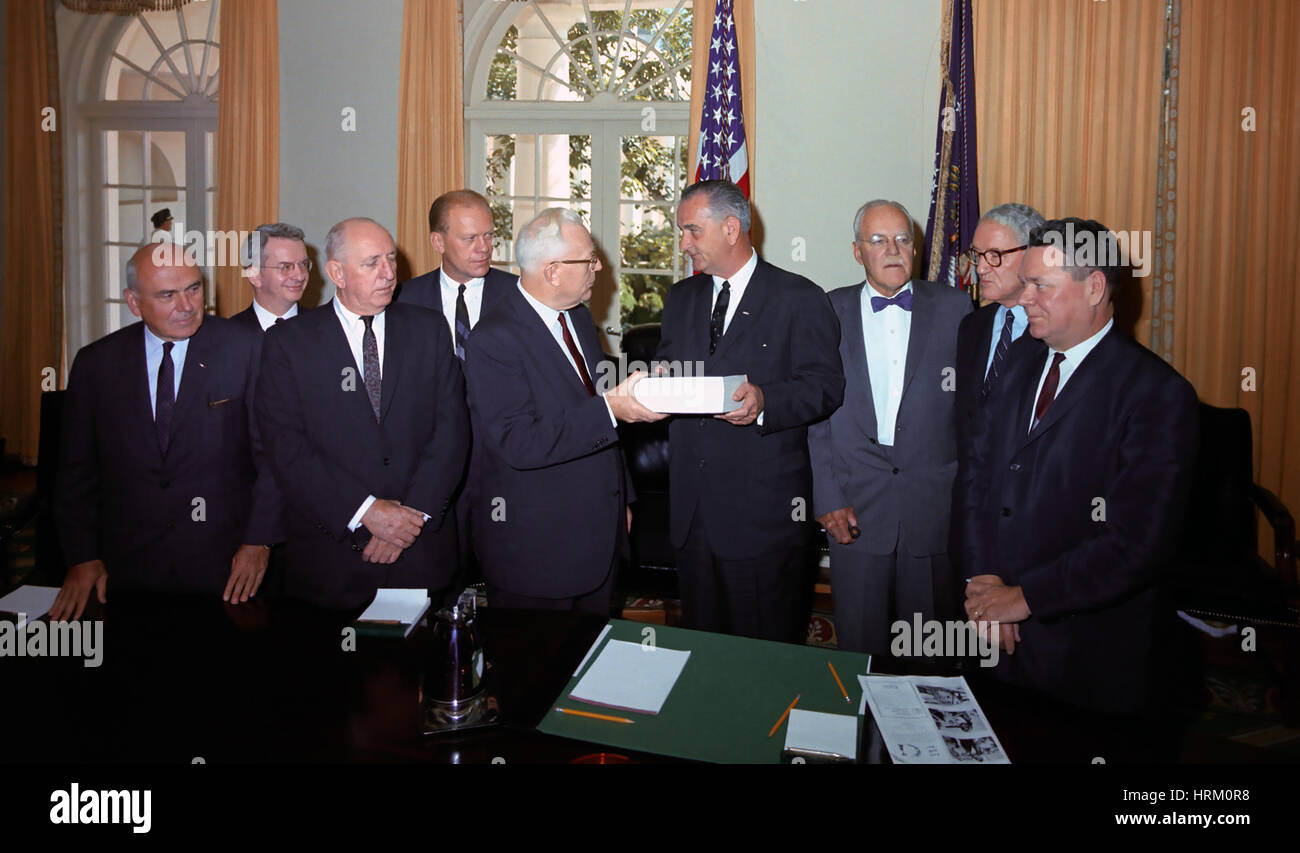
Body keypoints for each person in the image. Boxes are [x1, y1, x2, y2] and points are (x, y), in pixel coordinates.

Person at [961, 217, 1199, 715]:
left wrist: (1022, 599)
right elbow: (979, 474)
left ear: (1093, 288)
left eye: (1039, 285)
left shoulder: (1157, 395)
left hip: (1084, 653)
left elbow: (1136, 543)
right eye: (1024, 282)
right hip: (991, 633)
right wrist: (984, 583)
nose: (1023, 298)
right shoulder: (1020, 360)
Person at [655, 179, 844, 643]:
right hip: (694, 516)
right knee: (700, 648)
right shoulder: (681, 299)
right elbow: (673, 369)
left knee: (762, 653)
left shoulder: (798, 297)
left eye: (692, 231)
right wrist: (658, 383)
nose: (683, 244)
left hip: (763, 520)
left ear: (731, 228)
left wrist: (766, 401)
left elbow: (826, 387)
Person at [51, 243, 280, 620]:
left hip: (227, 568)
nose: (186, 305)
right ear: (134, 302)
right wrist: (83, 556)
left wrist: (260, 541)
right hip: (126, 571)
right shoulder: (96, 365)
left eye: (193, 288)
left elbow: (273, 458)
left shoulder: (247, 349)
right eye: (167, 295)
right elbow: (76, 473)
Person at [256, 217, 469, 609]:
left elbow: (452, 431)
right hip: (333, 559)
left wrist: (410, 518)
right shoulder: (289, 343)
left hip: (421, 555)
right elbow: (287, 448)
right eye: (372, 263)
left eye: (391, 259)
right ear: (336, 272)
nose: (389, 273)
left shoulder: (429, 329)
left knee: (424, 669)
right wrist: (366, 511)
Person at [464, 208, 663, 613]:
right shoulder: (493, 339)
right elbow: (519, 443)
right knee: (539, 672)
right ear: (552, 271)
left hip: (599, 534)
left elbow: (589, 400)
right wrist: (612, 408)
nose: (599, 266)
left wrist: (620, 495)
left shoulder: (577, 317)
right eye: (589, 259)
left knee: (592, 666)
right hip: (538, 552)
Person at [807, 200, 972, 656]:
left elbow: (974, 414)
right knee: (862, 651)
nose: (893, 249)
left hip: (933, 508)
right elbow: (815, 416)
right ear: (857, 252)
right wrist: (827, 497)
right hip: (854, 508)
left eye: (902, 239)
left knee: (930, 655)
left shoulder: (957, 308)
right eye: (878, 240)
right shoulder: (826, 310)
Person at [395, 189, 516, 359]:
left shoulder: (518, 295)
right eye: (470, 238)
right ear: (438, 243)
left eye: (488, 235)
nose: (484, 248)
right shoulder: (404, 300)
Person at [233, 222, 311, 331]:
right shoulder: (229, 336)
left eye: (303, 264)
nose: (300, 276)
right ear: (255, 276)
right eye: (286, 267)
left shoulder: (325, 330)